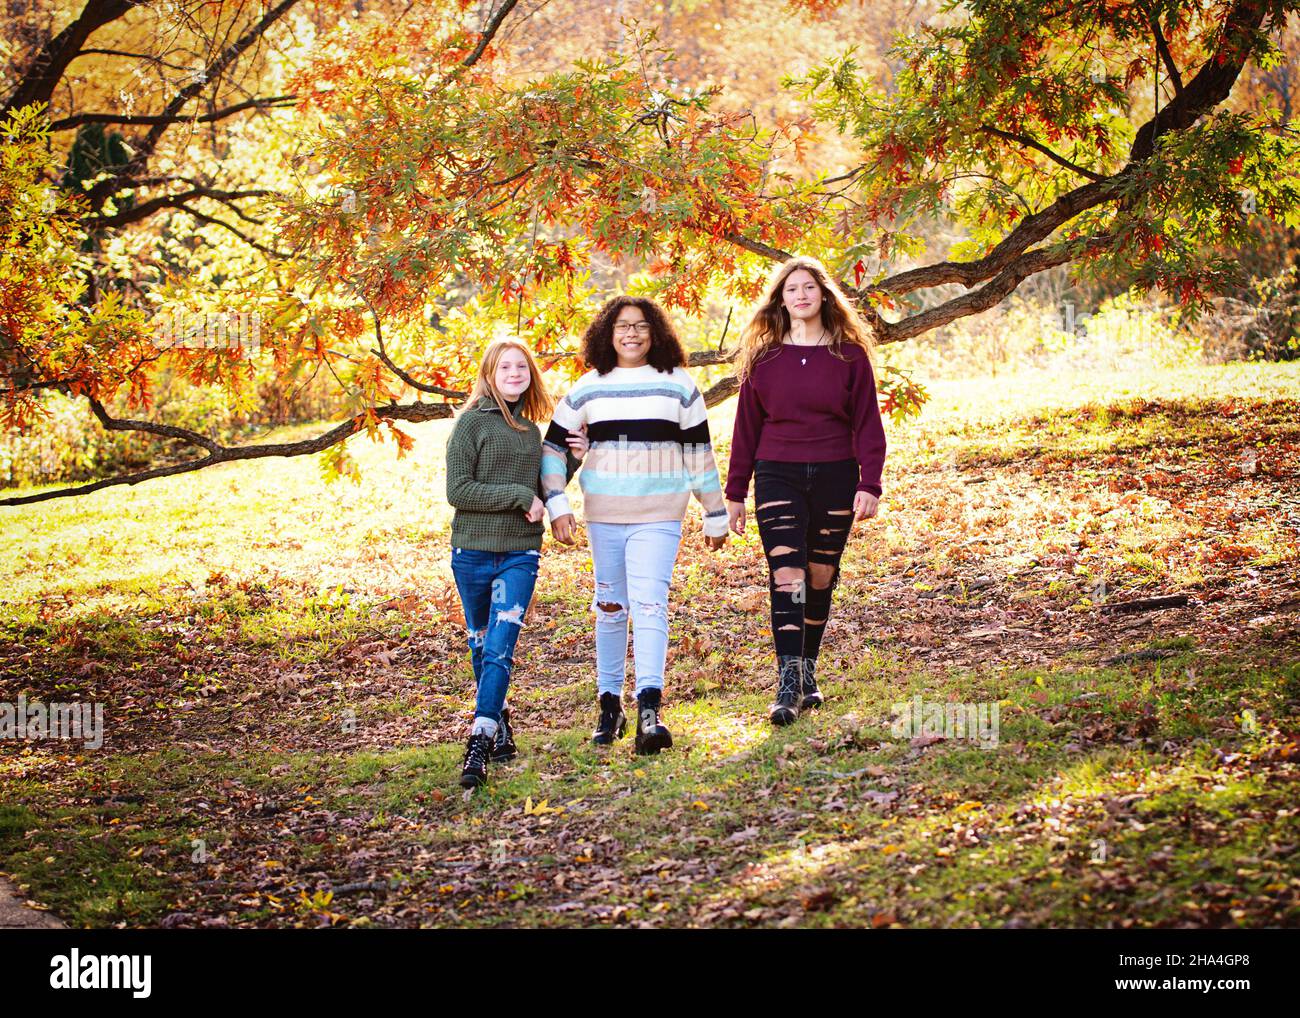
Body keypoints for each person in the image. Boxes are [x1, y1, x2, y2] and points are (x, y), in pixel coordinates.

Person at [542, 296, 728, 754]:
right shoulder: (588, 388)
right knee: (609, 606)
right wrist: (557, 501)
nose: (631, 334)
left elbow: (698, 453)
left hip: (660, 512)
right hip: (604, 513)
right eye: (622, 326)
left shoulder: (679, 386)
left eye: (641, 326)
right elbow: (552, 449)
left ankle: (650, 709)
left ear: (656, 333)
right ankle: (610, 705)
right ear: (607, 333)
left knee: (649, 604)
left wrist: (715, 509)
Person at [724, 256, 887, 726]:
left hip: (836, 473)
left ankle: (808, 668)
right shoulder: (764, 358)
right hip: (777, 473)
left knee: (819, 574)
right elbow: (746, 429)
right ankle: (788, 680)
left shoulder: (850, 356)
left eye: (809, 288)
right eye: (791, 289)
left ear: (823, 295)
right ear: (781, 300)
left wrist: (869, 482)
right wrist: (736, 492)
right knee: (788, 575)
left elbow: (868, 426)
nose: (800, 295)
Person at [445, 338, 578, 788]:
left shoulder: (531, 432)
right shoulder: (470, 425)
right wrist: (518, 496)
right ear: (489, 373)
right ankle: (499, 720)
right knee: (482, 644)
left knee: (501, 645)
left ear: (531, 374)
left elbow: (540, 492)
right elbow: (458, 492)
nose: (516, 373)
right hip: (472, 553)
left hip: (520, 552)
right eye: (506, 367)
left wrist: (573, 459)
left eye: (522, 366)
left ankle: (478, 740)